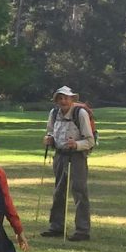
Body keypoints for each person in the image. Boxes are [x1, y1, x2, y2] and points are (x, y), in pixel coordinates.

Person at [41, 85, 95, 241]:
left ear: (72, 99)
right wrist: (49, 140)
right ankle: (56, 227)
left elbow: (90, 141)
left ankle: (82, 231)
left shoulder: (81, 114)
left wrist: (76, 145)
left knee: (79, 192)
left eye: (66, 97)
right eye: (60, 97)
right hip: (59, 155)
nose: (63, 100)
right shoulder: (53, 113)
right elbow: (50, 132)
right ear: (56, 100)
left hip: (76, 157)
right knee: (59, 191)